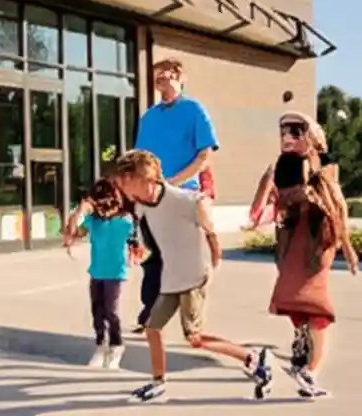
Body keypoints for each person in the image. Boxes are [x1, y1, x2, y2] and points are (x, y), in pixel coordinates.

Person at [111, 150, 274, 403]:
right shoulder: (142, 205)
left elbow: (203, 211)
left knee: (195, 338)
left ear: (146, 179)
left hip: (194, 275)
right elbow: (146, 230)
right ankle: (158, 382)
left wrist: (215, 250)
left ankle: (252, 358)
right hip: (171, 277)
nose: (122, 189)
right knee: (153, 328)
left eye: (126, 182)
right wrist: (137, 244)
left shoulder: (182, 200)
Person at [247, 112, 359, 399]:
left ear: (311, 135)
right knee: (294, 297)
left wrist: (347, 247)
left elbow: (337, 204)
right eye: (284, 131)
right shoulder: (282, 164)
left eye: (296, 131)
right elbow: (266, 187)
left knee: (315, 304)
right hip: (291, 238)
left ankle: (310, 367)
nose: (287, 137)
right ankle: (303, 346)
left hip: (317, 238)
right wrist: (257, 214)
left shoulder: (322, 165)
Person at [130, 58, 219, 334]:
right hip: (152, 198)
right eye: (157, 78)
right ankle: (150, 315)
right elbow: (139, 159)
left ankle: (193, 324)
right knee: (154, 259)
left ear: (180, 78)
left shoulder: (193, 110)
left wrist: (174, 181)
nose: (161, 81)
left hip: (183, 195)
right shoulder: (149, 117)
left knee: (186, 262)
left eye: (167, 76)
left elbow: (205, 154)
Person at [63, 179, 136, 369]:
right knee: (97, 311)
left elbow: (138, 237)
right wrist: (80, 211)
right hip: (97, 272)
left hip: (116, 272)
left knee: (111, 311)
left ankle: (116, 345)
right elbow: (72, 232)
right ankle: (100, 345)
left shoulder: (125, 220)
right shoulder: (93, 221)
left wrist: (137, 250)